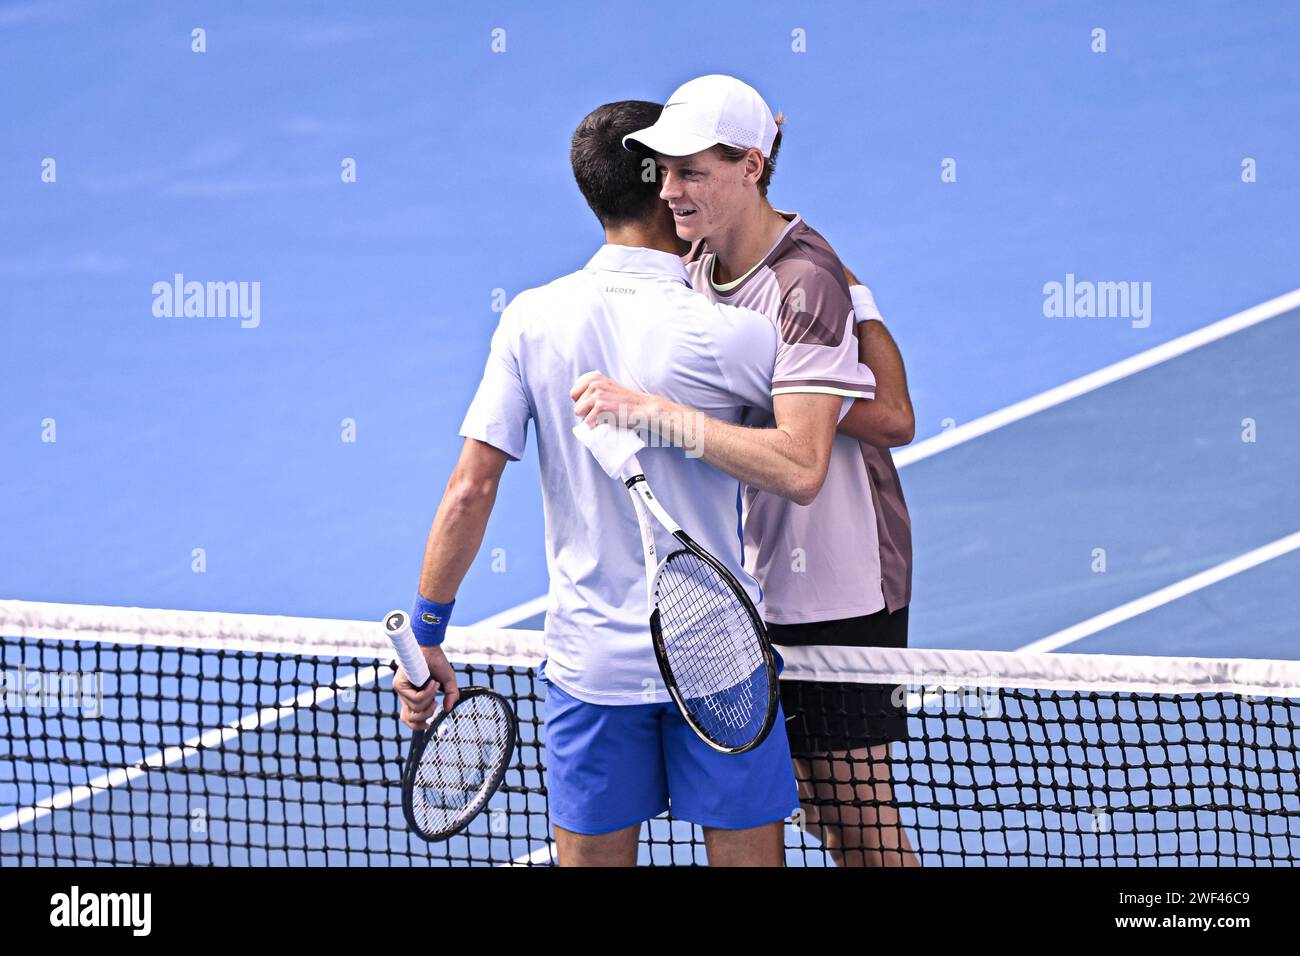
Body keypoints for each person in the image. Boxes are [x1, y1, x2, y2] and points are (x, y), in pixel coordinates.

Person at [392, 99, 874, 866]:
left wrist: (426, 633)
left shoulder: (530, 319)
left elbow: (469, 489)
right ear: (665, 190)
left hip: (592, 670)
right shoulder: (734, 330)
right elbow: (857, 421)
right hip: (722, 660)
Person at [572, 74, 920, 866]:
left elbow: (814, 458)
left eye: (690, 172)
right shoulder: (692, 263)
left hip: (839, 586)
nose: (669, 192)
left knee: (861, 824)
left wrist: (715, 402)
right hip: (745, 583)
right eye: (663, 172)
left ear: (751, 168)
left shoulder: (808, 283)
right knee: (815, 813)